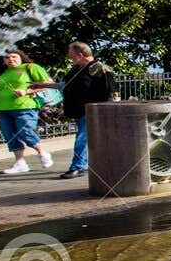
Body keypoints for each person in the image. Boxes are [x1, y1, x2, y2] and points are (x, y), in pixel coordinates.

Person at [27, 42, 115, 180]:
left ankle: (77, 167)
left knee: (82, 139)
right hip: (81, 110)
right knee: (86, 139)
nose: (69, 56)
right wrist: (43, 85)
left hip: (92, 110)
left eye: (70, 53)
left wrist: (104, 110)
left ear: (79, 54)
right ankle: (85, 165)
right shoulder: (77, 69)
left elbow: (110, 91)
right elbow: (64, 85)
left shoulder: (98, 68)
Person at [0, 48, 55, 174]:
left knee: (25, 131)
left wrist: (27, 91)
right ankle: (20, 163)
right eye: (7, 57)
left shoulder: (30, 67)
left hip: (25, 107)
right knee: (10, 135)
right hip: (3, 109)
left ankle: (42, 153)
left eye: (14, 56)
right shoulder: (3, 74)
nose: (11, 59)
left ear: (21, 57)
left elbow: (49, 83)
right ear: (3, 61)